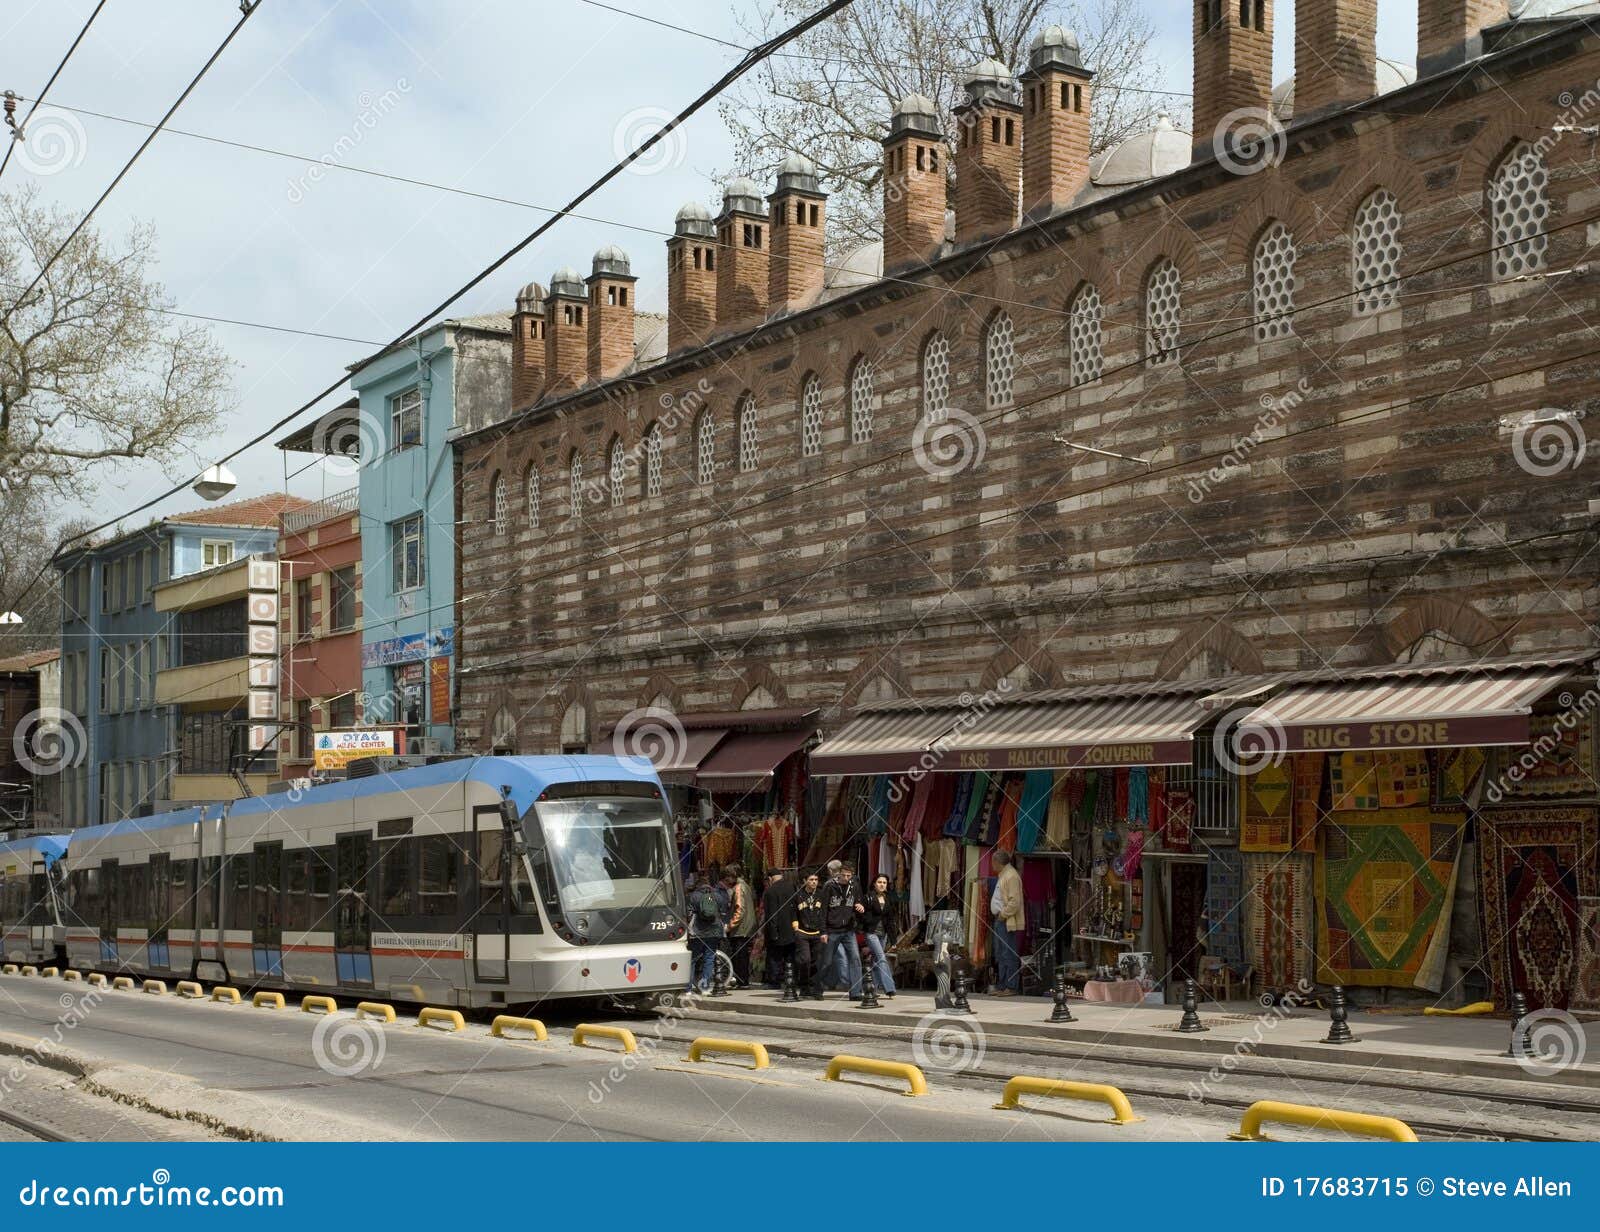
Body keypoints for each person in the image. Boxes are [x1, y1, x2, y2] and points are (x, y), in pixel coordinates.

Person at [822, 863, 862, 1000]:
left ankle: (856, 992)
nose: (846, 878)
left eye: (849, 876)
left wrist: (859, 905)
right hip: (832, 929)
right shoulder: (829, 886)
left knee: (855, 958)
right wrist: (823, 931)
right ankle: (818, 987)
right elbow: (823, 910)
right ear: (839, 873)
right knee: (827, 961)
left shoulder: (854, 886)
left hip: (848, 930)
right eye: (843, 875)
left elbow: (858, 900)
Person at [686, 872, 729, 994]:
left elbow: (689, 914)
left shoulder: (693, 896)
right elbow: (723, 911)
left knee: (692, 960)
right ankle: (704, 988)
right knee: (709, 958)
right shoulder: (718, 896)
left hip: (698, 932)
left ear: (698, 886)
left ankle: (688, 988)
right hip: (714, 931)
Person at [990, 849, 1024, 996]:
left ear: (997, 862)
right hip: (1000, 919)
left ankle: (1011, 986)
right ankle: (1003, 985)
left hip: (1005, 920)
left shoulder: (1011, 876)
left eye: (993, 862)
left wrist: (1003, 915)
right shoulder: (1005, 875)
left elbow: (1015, 901)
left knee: (1008, 953)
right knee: (1001, 953)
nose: (992, 865)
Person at [858, 873, 897, 997]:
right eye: (879, 882)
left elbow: (891, 920)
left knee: (875, 962)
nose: (882, 884)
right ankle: (890, 988)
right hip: (871, 933)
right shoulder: (868, 897)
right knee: (881, 958)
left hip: (883, 934)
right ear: (874, 884)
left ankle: (871, 989)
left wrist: (893, 940)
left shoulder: (888, 899)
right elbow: (862, 915)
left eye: (884, 883)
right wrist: (868, 921)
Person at [791, 870, 827, 999]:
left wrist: (824, 932)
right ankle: (804, 986)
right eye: (811, 880)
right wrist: (795, 928)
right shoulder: (798, 895)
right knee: (805, 959)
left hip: (817, 932)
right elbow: (793, 912)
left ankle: (816, 988)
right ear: (805, 881)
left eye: (816, 880)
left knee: (817, 962)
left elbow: (823, 914)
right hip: (802, 932)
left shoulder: (821, 894)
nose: (814, 882)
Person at [760, 870, 796, 988]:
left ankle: (774, 982)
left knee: (774, 957)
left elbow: (771, 913)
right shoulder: (792, 887)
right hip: (791, 928)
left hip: (777, 929)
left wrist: (773, 931)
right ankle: (791, 980)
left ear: (770, 878)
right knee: (789, 956)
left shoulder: (770, 891)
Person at [725, 862, 756, 988]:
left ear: (733, 875)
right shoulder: (745, 885)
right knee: (742, 955)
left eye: (728, 875)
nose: (726, 878)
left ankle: (742, 981)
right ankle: (743, 980)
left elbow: (740, 909)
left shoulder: (738, 887)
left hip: (741, 928)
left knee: (740, 955)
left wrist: (730, 926)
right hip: (746, 926)